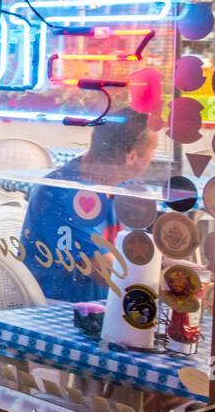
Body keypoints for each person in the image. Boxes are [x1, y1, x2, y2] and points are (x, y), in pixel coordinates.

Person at [21, 108, 158, 303]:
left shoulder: (125, 186)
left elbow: (139, 249)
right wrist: (173, 284)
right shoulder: (64, 193)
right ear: (132, 157)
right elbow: (107, 272)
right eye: (153, 150)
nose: (153, 157)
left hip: (109, 305)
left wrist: (172, 265)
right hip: (59, 309)